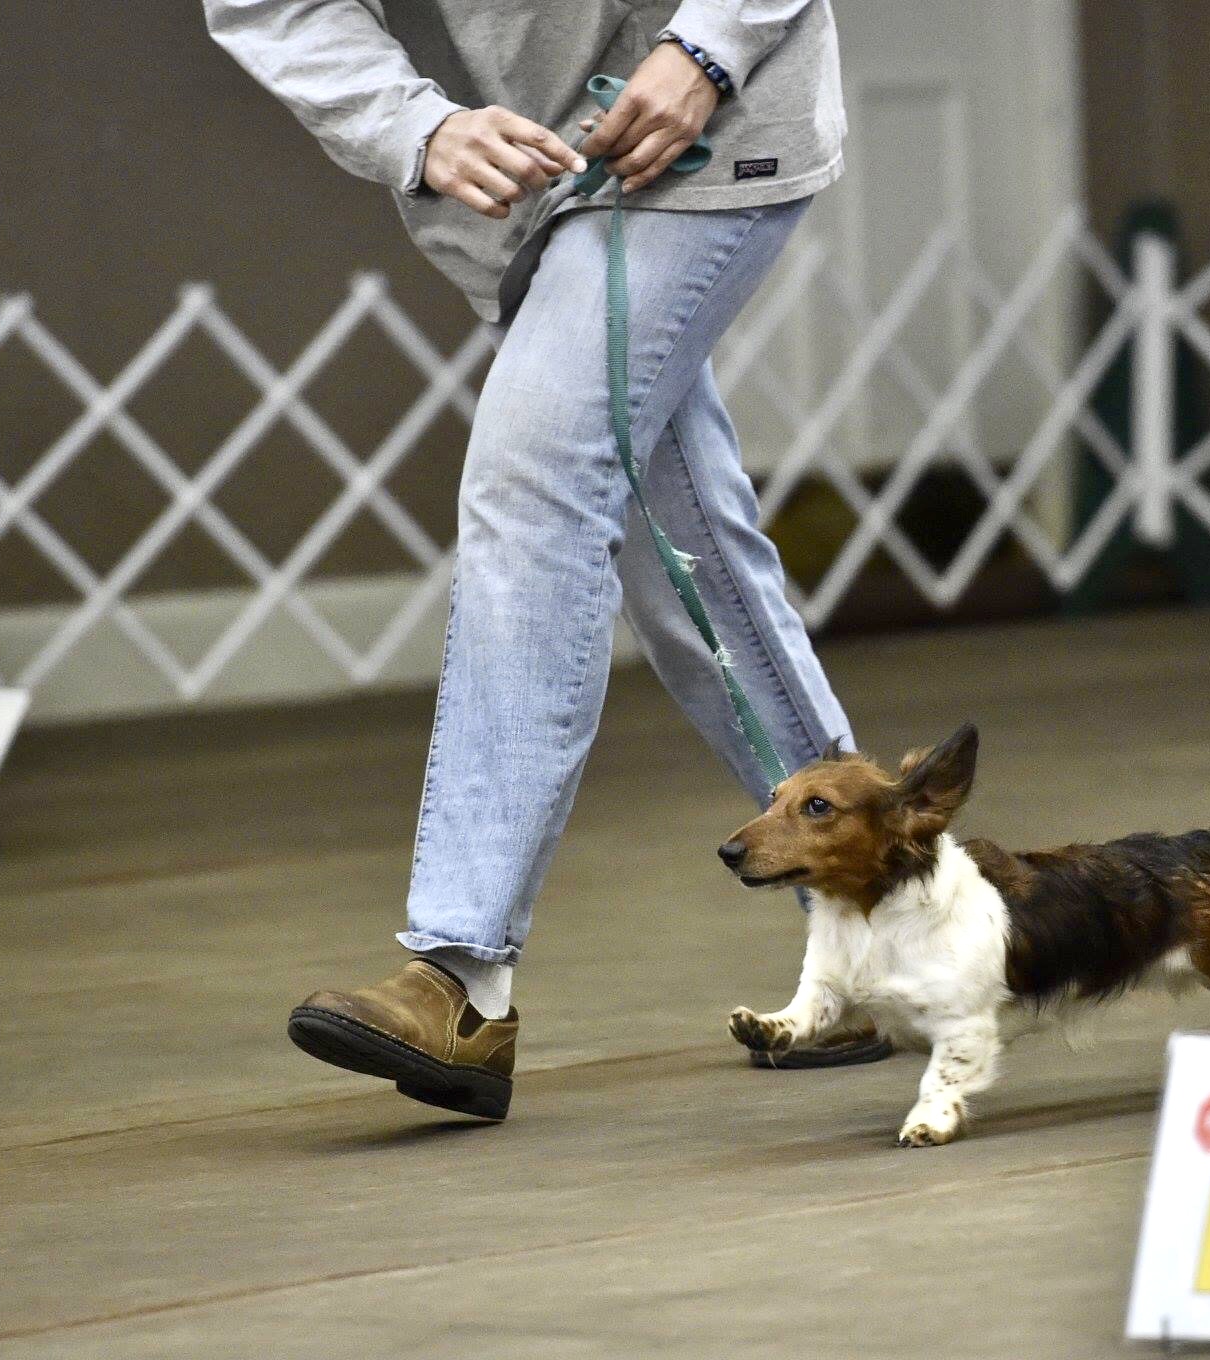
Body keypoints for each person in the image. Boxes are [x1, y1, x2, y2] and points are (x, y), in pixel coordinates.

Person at [204, 0, 885, 1121]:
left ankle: (460, 973)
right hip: (539, 177)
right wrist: (412, 126)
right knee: (688, 562)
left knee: (531, 488)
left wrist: (707, 45)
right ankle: (885, 924)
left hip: (711, 120)